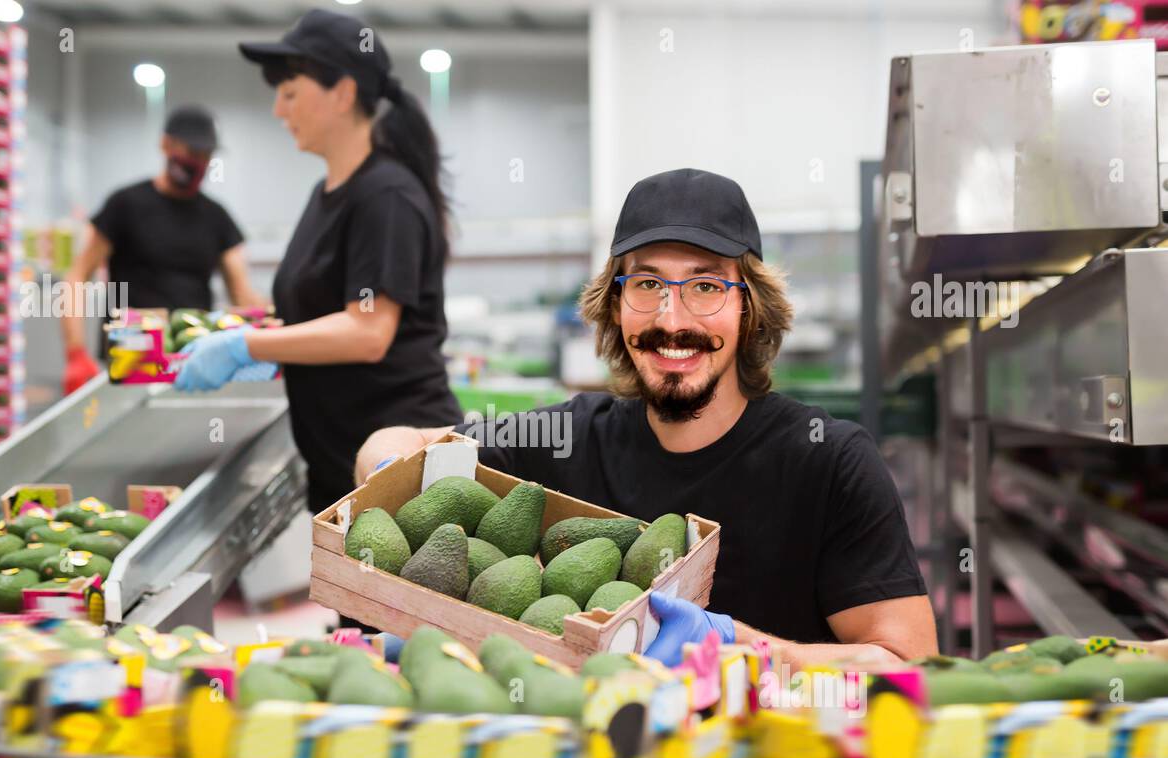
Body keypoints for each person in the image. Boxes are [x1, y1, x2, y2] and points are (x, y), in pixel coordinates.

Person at [355, 168, 937, 669]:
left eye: (705, 285)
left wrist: (737, 644)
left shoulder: (828, 460)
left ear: (749, 306)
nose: (671, 318)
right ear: (614, 304)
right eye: (648, 283)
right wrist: (388, 469)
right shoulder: (566, 439)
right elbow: (404, 438)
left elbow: (906, 665)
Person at [172, 8, 462, 517]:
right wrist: (271, 344)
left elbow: (368, 332)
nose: (278, 111)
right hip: (338, 463)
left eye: (289, 92)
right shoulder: (327, 193)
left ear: (343, 93)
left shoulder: (385, 194)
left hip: (396, 468)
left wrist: (246, 344)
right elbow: (326, 315)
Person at [60, 105, 262, 394]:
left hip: (193, 363)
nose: (199, 163)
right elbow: (77, 277)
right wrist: (75, 352)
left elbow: (242, 294)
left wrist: (276, 329)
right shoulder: (124, 205)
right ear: (165, 144)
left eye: (206, 156)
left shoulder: (217, 217)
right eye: (192, 153)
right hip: (130, 362)